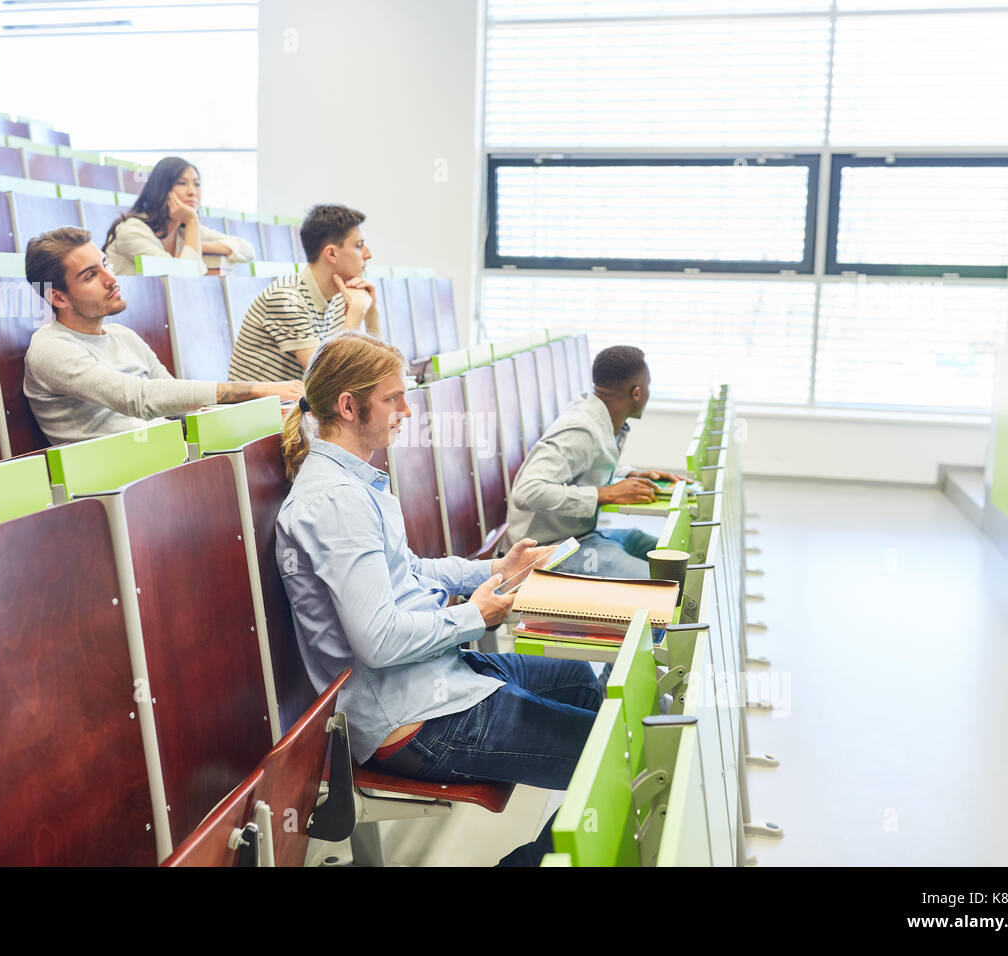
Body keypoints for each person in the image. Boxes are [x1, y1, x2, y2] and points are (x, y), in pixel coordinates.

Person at [276, 331, 605, 866]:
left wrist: (496, 569)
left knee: (580, 681)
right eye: (394, 398)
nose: (407, 409)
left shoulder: (354, 481)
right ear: (348, 405)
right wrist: (477, 615)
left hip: (436, 678)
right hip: (413, 723)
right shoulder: (338, 501)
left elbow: (406, 569)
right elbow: (378, 641)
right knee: (609, 758)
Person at [22, 227, 301, 445]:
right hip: (119, 481)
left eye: (106, 264)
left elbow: (181, 407)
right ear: (57, 297)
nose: (111, 278)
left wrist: (258, 412)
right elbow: (139, 398)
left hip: (168, 455)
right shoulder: (50, 348)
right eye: (90, 275)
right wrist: (260, 390)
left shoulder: (123, 336)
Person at [504, 345, 683, 579]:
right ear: (637, 393)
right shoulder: (580, 429)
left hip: (581, 538)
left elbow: (585, 464)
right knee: (663, 581)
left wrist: (630, 474)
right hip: (549, 551)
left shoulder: (598, 416)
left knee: (663, 550)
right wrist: (604, 494)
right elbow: (527, 491)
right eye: (649, 386)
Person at [227, 203, 381, 384]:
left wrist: (371, 312)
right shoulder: (287, 299)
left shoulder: (341, 298)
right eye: (359, 245)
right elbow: (329, 379)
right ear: (331, 254)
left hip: (298, 407)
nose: (368, 254)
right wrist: (356, 312)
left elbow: (374, 371)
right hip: (258, 410)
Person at [102, 156, 255, 276]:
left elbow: (246, 250)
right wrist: (192, 221)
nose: (192, 192)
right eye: (182, 183)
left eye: (196, 184)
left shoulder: (184, 231)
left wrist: (200, 246)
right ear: (161, 189)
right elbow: (184, 278)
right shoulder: (132, 231)